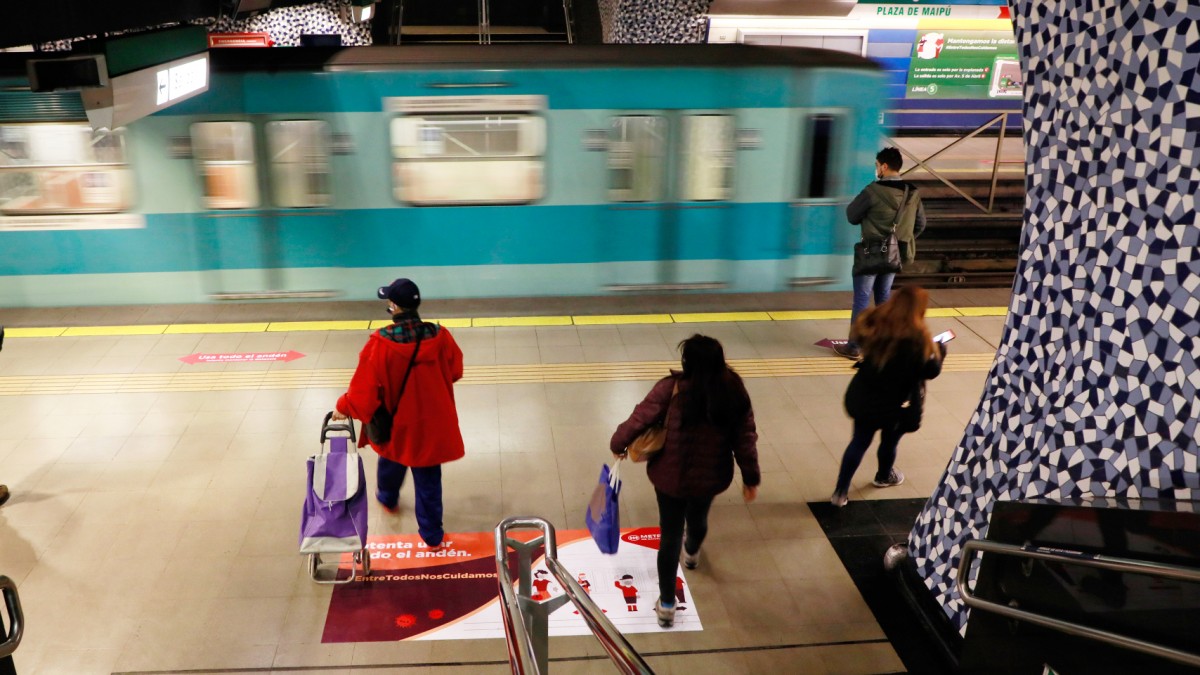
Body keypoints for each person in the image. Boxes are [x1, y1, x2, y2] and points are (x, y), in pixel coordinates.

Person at [610, 334, 760, 628]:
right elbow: (745, 439)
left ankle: (667, 604)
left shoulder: (672, 388)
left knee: (669, 536)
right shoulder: (734, 391)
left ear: (687, 362)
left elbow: (640, 418)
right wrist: (750, 477)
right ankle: (691, 553)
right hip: (711, 476)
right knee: (699, 517)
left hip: (671, 477)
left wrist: (618, 443)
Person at [332, 278, 464, 549]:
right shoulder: (440, 335)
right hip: (433, 424)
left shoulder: (381, 343)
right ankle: (432, 536)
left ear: (393, 306)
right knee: (428, 482)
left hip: (398, 424)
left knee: (391, 459)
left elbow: (364, 391)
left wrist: (343, 407)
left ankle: (388, 498)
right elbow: (455, 371)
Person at [831, 286, 946, 507]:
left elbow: (858, 336)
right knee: (890, 441)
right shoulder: (919, 339)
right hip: (897, 404)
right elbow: (930, 371)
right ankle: (884, 476)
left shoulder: (875, 324)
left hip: (866, 396)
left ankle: (840, 492)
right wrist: (940, 354)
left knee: (859, 441)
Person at [834, 147, 927, 360]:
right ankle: (883, 344)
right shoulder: (912, 192)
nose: (876, 169)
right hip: (894, 255)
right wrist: (899, 240)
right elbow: (921, 224)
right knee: (884, 299)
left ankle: (854, 346)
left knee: (862, 299)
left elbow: (851, 216)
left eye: (877, 165)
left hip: (871, 253)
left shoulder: (872, 191)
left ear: (884, 167)